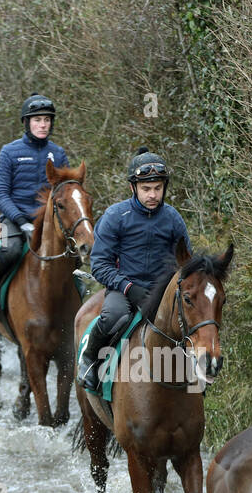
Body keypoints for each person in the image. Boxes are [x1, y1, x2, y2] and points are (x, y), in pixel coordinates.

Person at [79, 147, 191, 394]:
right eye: (146, 189)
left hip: (162, 290)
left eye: (158, 188)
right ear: (133, 188)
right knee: (113, 317)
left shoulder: (173, 219)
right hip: (125, 288)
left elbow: (186, 264)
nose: (153, 195)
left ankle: (196, 377)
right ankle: (90, 362)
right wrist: (129, 288)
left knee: (189, 323)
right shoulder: (115, 216)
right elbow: (99, 264)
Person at [0, 93, 69, 312]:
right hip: (15, 220)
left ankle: (76, 289)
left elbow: (64, 193)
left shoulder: (58, 153)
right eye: (38, 120)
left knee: (71, 252)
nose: (43, 124)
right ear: (27, 122)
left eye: (47, 120)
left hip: (48, 222)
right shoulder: (9, 152)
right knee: (10, 250)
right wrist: (21, 221)